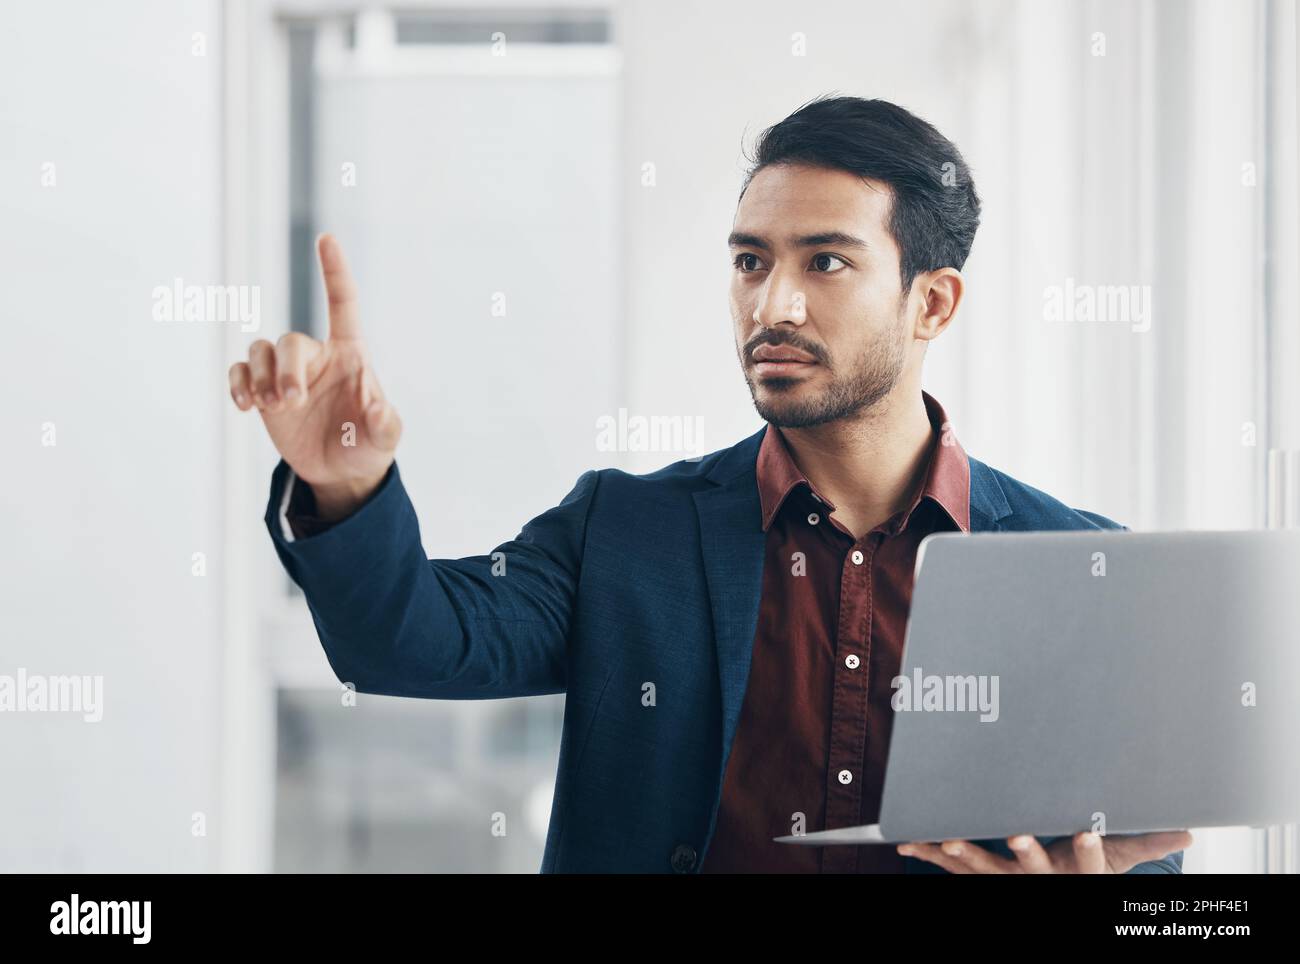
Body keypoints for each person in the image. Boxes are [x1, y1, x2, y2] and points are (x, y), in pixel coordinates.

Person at [227, 95, 1190, 874]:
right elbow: (405, 645)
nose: (772, 304)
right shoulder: (625, 529)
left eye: (825, 261)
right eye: (750, 261)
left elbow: (1144, 870)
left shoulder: (1076, 565)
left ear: (930, 300)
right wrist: (348, 487)